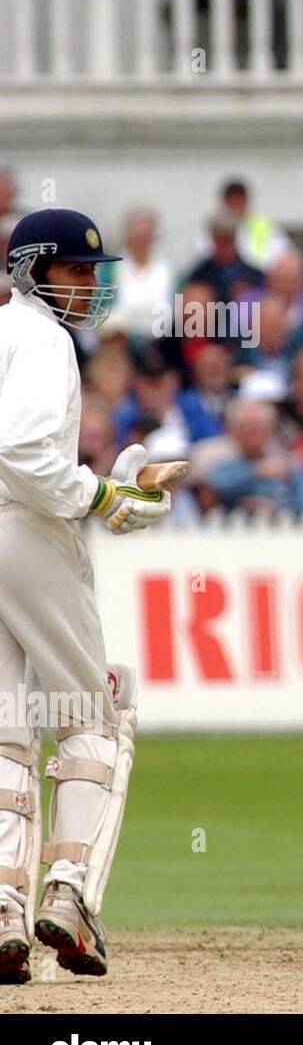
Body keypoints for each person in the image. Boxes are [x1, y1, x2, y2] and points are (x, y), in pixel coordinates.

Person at [0, 209, 174, 986]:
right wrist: (101, 494)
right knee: (92, 714)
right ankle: (68, 892)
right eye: (75, 271)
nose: (89, 287)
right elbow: (23, 452)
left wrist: (103, 485)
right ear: (32, 269)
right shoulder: (43, 339)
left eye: (95, 273)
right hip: (27, 531)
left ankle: (4, 906)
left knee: (7, 725)